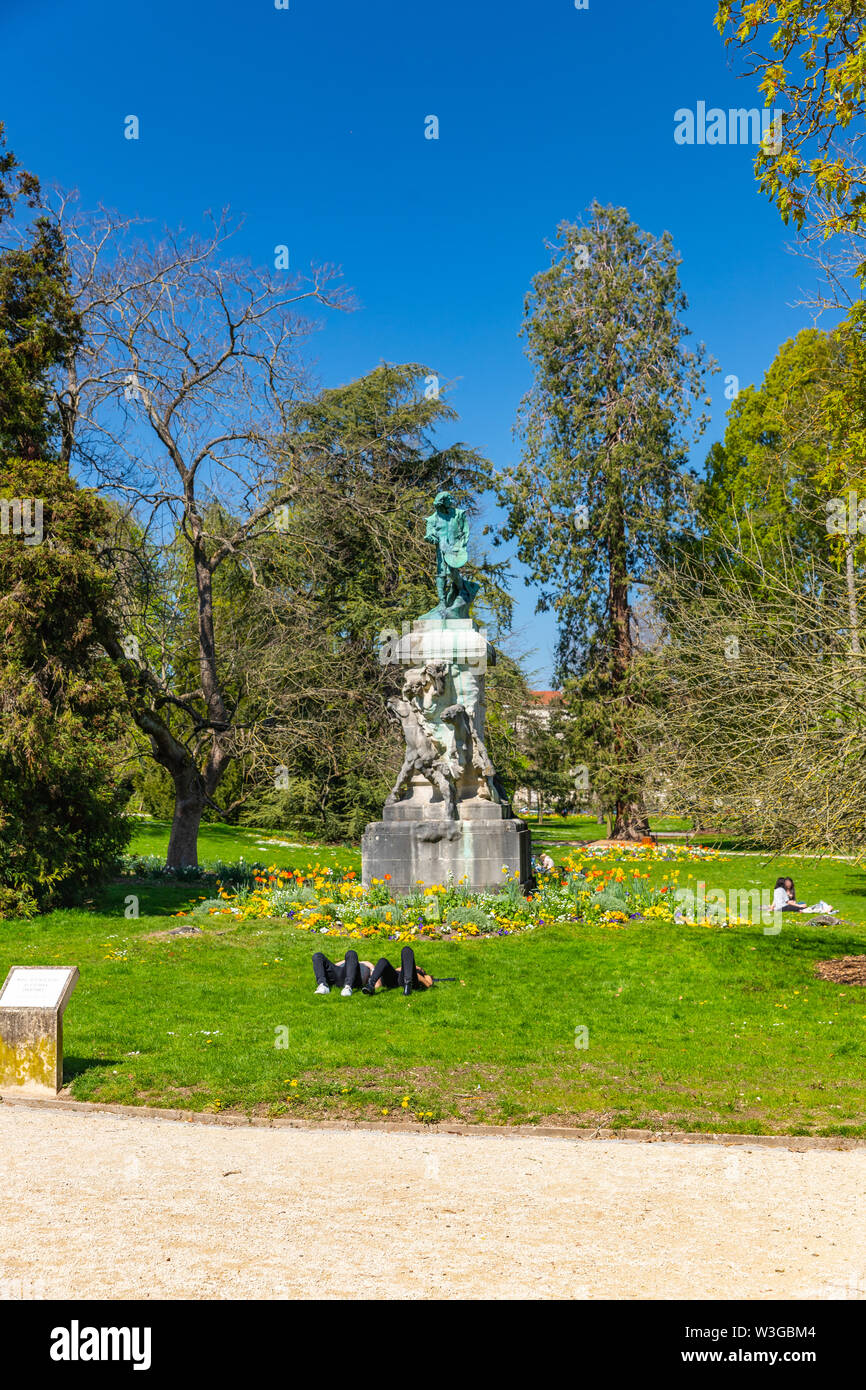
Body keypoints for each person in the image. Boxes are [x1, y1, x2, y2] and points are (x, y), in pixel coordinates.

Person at [361, 945, 434, 996]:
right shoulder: (406, 965)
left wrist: (419, 976)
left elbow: (428, 984)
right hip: (397, 977)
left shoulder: (422, 973)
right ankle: (370, 985)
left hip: (408, 979)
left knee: (407, 949)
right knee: (383, 960)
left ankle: (408, 984)